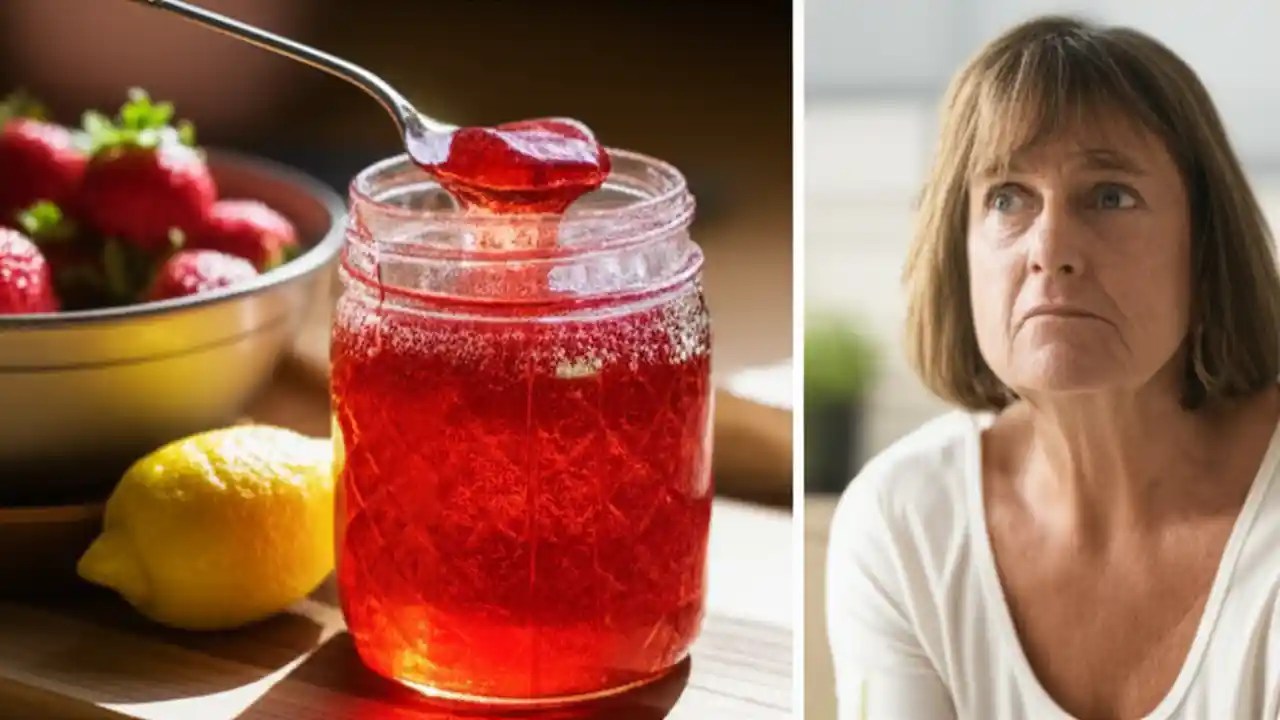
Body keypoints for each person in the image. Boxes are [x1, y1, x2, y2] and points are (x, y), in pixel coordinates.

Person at [826, 15, 1280, 720]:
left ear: (1205, 246)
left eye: (1110, 196)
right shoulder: (902, 522)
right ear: (959, 253)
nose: (1051, 249)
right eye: (1007, 197)